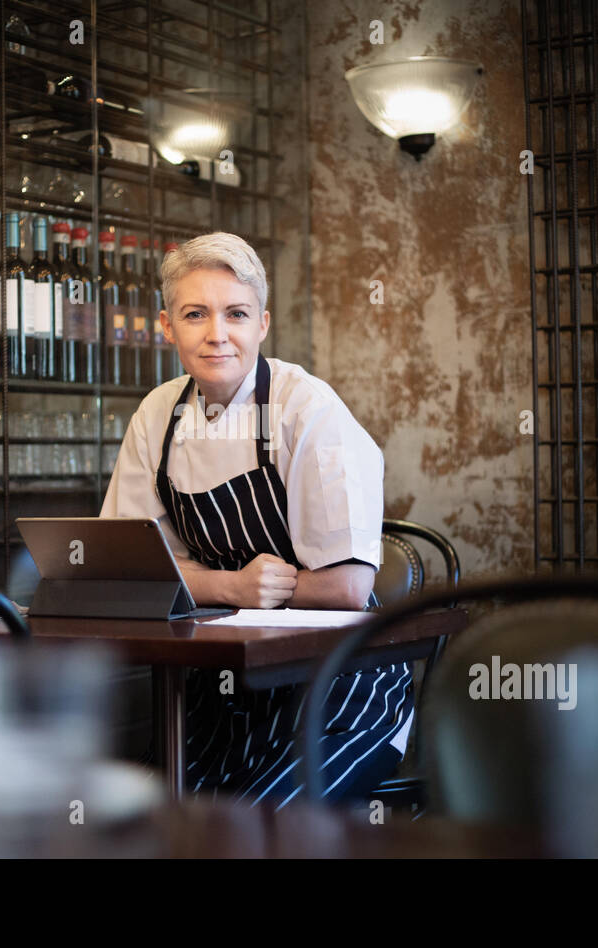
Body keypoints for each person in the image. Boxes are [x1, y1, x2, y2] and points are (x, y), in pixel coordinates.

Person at [100, 231, 412, 809]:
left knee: (249, 831)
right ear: (167, 326)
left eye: (236, 313)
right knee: (128, 823)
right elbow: (131, 566)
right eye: (196, 314)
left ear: (262, 324)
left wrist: (196, 578)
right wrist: (234, 587)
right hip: (215, 698)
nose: (217, 333)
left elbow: (347, 587)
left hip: (336, 692)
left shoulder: (309, 410)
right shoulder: (157, 415)